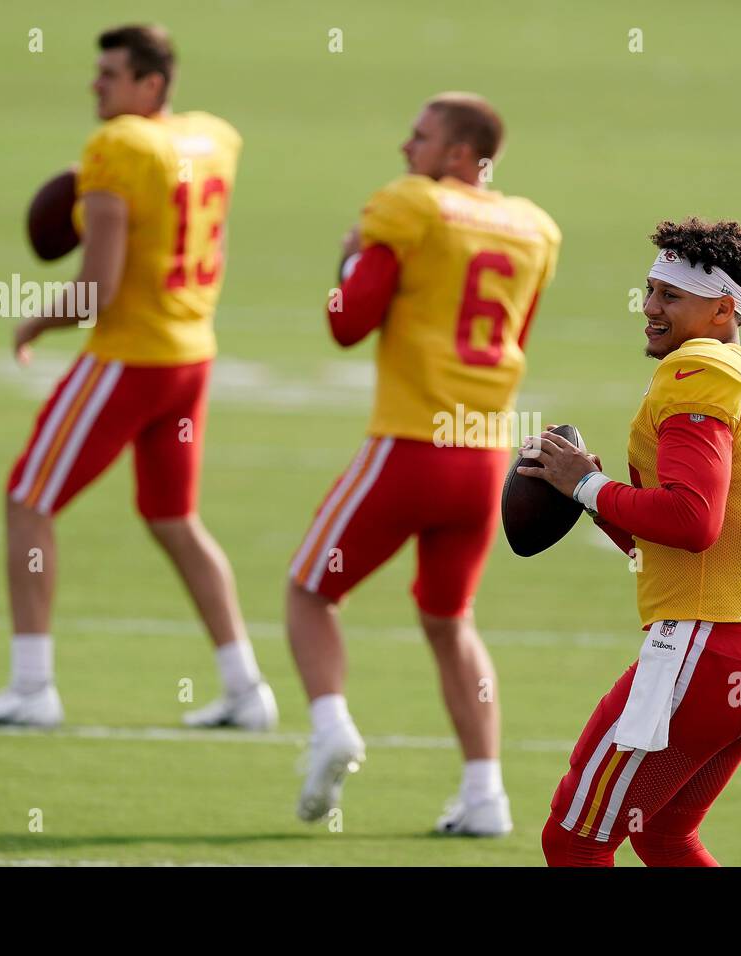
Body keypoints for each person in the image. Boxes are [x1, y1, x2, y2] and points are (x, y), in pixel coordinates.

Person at [0, 24, 276, 731]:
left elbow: (96, 288)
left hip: (131, 358)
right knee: (173, 519)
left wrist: (37, 321)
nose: (95, 84)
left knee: (27, 499)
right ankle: (246, 687)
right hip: (191, 355)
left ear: (150, 84)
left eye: (111, 74)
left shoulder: (118, 148)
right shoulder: (213, 136)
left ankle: (32, 687)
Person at [287, 92, 561, 835]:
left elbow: (348, 323)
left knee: (309, 591)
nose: (404, 146)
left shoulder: (412, 206)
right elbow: (518, 332)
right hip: (485, 458)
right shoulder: (534, 228)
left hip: (411, 445)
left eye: (420, 136)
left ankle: (331, 726)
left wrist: (350, 256)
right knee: (450, 619)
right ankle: (485, 794)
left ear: (457, 155)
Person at [524, 218, 741, 865]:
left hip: (704, 650)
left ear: (722, 310)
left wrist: (590, 485)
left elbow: (692, 520)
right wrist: (586, 496)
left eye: (670, 297)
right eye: (650, 290)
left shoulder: (697, 369)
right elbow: (685, 539)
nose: (649, 307)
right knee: (662, 835)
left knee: (573, 839)